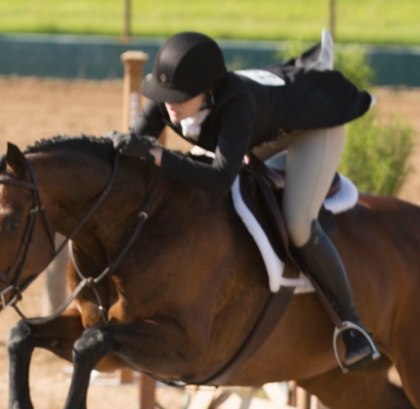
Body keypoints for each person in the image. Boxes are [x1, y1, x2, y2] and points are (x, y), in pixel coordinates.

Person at [110, 30, 381, 372]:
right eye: (164, 95)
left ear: (207, 90)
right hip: (262, 128)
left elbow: (221, 178)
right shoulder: (169, 99)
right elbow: (136, 147)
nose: (170, 104)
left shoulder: (236, 102)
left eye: (179, 97)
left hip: (312, 127)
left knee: (297, 223)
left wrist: (159, 156)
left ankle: (353, 325)